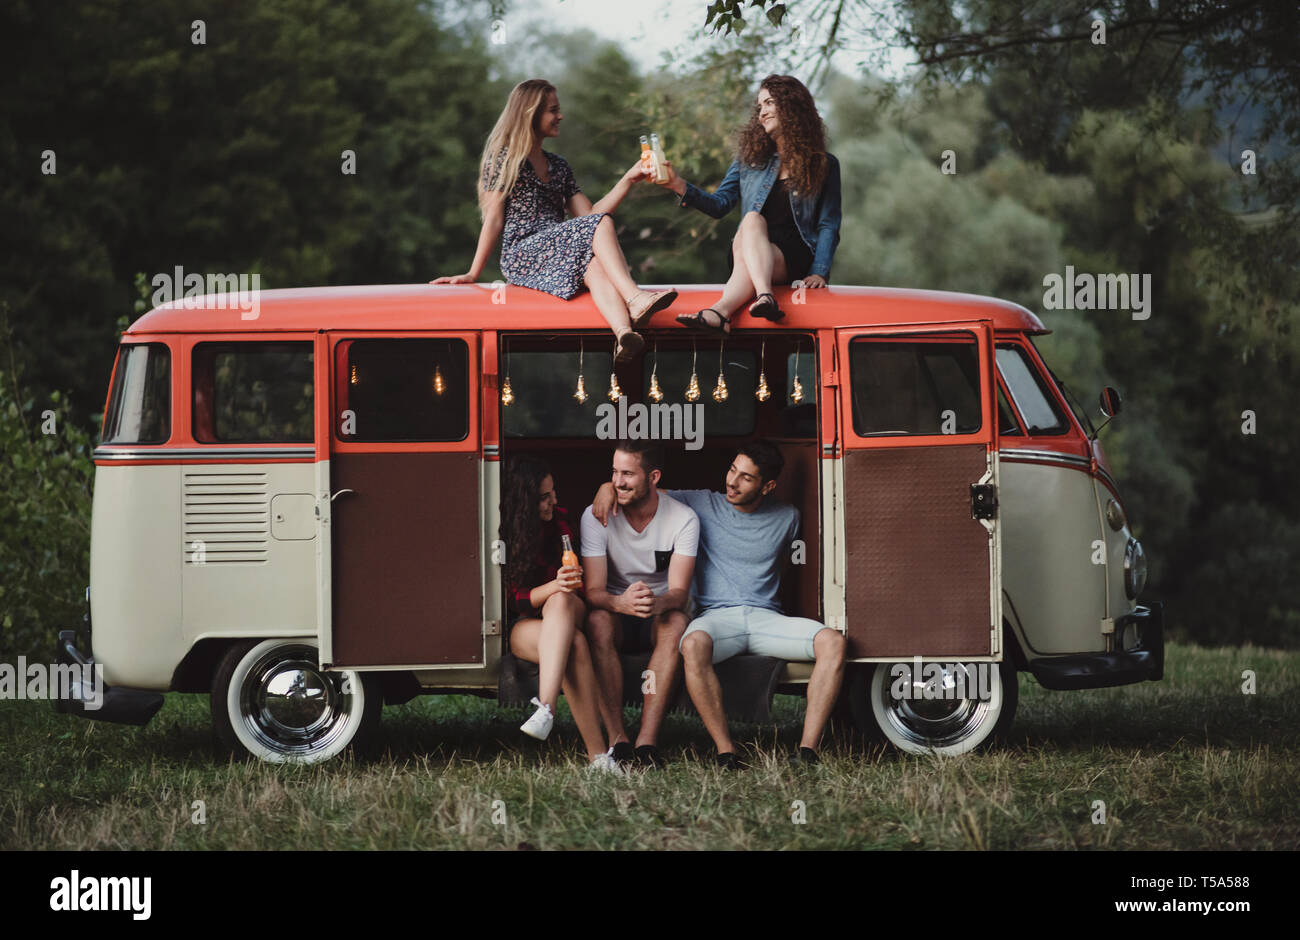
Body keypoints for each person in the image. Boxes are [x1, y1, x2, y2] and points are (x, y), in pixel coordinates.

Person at [591, 440, 845, 767]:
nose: (732, 482)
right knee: (692, 644)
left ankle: (807, 752)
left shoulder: (788, 517)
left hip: (766, 617)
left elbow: (786, 567)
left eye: (746, 478)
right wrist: (605, 487)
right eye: (731, 470)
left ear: (767, 486)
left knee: (834, 643)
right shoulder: (700, 504)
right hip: (717, 619)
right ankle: (726, 752)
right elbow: (646, 490)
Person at [432, 79, 676, 360]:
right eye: (553, 110)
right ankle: (635, 298)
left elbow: (589, 216)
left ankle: (623, 334)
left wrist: (628, 180)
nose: (560, 116)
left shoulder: (559, 165)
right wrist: (473, 273)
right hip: (523, 253)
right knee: (601, 225)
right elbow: (493, 220)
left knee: (595, 264)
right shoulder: (504, 160)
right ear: (531, 114)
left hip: (558, 247)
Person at [654, 74, 841, 334]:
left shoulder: (824, 163)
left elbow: (828, 223)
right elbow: (720, 205)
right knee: (752, 221)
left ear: (791, 106)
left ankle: (720, 312)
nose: (762, 112)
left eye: (769, 103)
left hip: (791, 256)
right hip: (749, 247)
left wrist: (819, 271)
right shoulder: (749, 160)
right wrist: (678, 185)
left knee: (751, 222)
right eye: (759, 106)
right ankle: (761, 297)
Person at [500, 455, 623, 774]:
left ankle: (546, 707)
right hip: (527, 622)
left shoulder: (561, 520)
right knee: (576, 646)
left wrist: (561, 583)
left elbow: (574, 588)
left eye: (553, 493)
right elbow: (513, 600)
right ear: (525, 500)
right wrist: (554, 584)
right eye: (544, 497)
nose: (553, 501)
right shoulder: (508, 532)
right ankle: (599, 759)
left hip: (571, 607)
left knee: (561, 600)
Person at [579, 441, 698, 769]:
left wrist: (654, 603)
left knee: (677, 622)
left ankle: (647, 741)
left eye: (628, 474)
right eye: (614, 473)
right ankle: (619, 740)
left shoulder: (683, 518)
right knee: (597, 622)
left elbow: (680, 593)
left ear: (654, 477)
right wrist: (620, 602)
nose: (618, 482)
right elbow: (592, 591)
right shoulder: (595, 516)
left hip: (656, 612)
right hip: (615, 609)